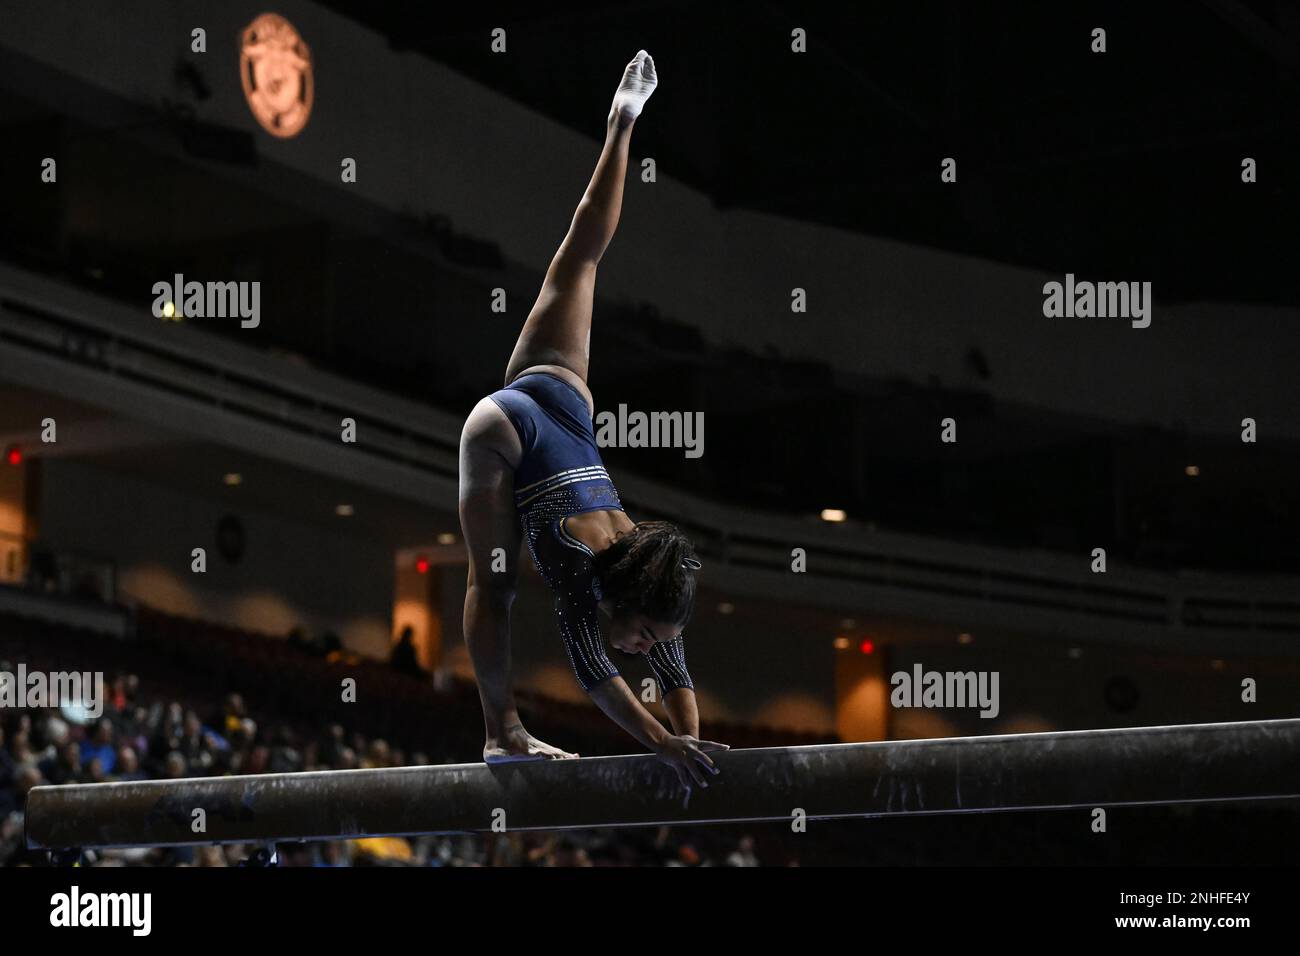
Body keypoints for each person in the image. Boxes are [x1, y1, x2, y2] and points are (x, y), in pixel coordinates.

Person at [458, 50, 726, 792]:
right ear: (621, 602)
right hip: (510, 424)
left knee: (581, 260)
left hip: (558, 407)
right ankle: (500, 730)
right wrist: (664, 745)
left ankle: (621, 123)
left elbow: (669, 664)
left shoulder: (647, 586)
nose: (641, 647)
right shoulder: (586, 583)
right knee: (496, 582)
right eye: (642, 633)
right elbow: (597, 678)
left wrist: (690, 742)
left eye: (651, 638)